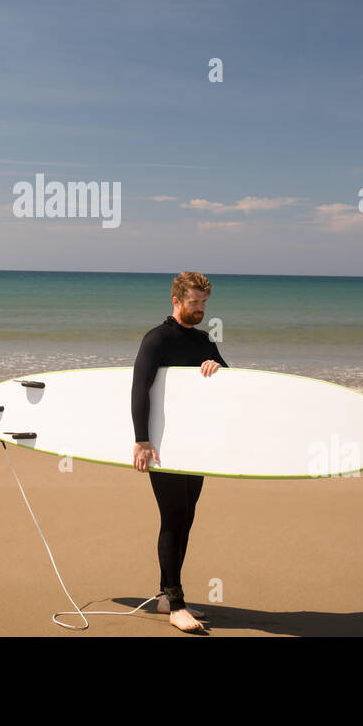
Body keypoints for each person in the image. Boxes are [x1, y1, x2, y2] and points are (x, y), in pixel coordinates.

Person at [131, 271, 227, 633]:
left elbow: (231, 383)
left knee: (186, 516)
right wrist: (141, 440)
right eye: (194, 302)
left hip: (194, 445)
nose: (200, 308)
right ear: (176, 301)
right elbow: (140, 389)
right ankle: (176, 604)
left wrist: (216, 366)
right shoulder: (156, 339)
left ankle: (164, 595)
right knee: (173, 517)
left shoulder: (205, 340)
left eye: (204, 303)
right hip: (163, 445)